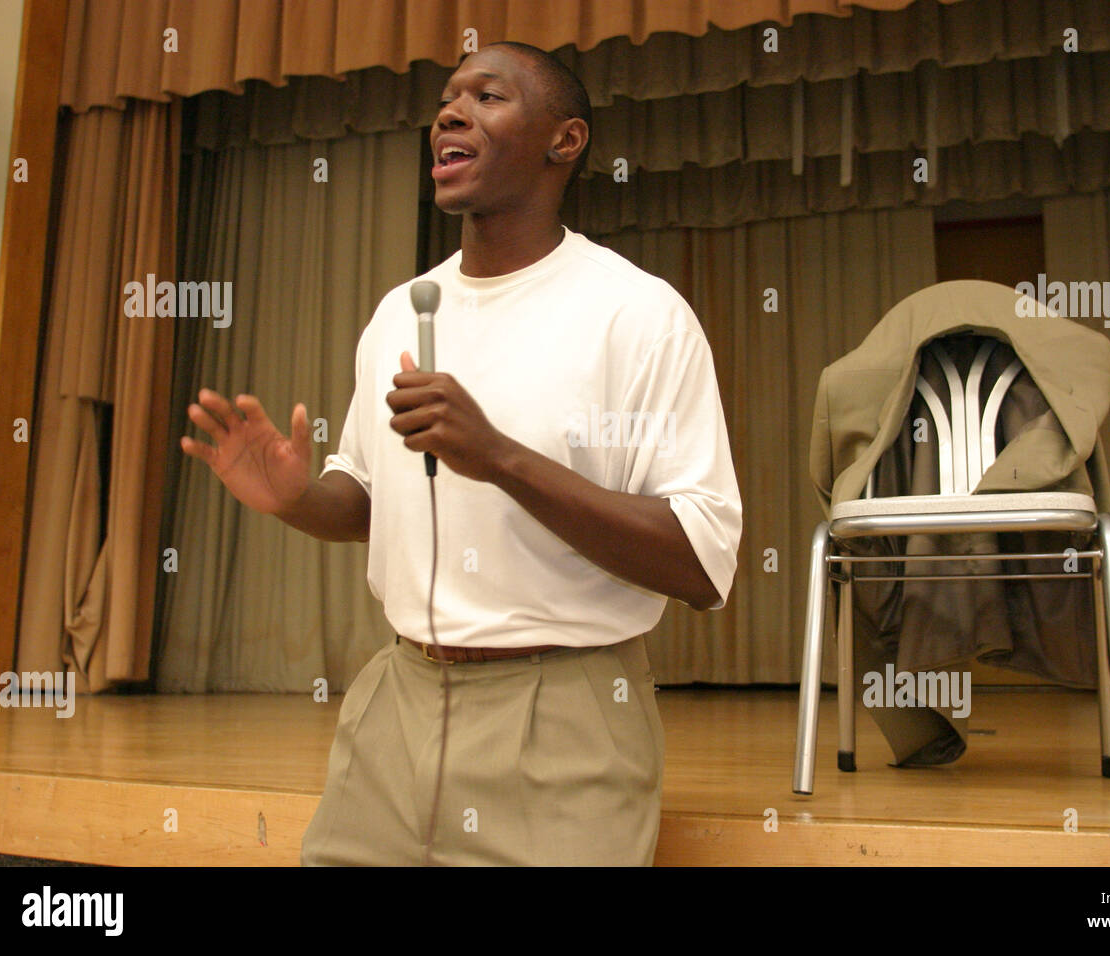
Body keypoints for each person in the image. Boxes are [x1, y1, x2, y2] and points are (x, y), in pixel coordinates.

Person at [180, 41, 742, 866]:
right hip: (394, 705)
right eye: (447, 99)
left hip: (565, 712)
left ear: (566, 141)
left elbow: (702, 563)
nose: (450, 112)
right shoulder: (400, 313)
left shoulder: (638, 315)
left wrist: (500, 458)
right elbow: (368, 500)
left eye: (488, 96)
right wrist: (296, 498)